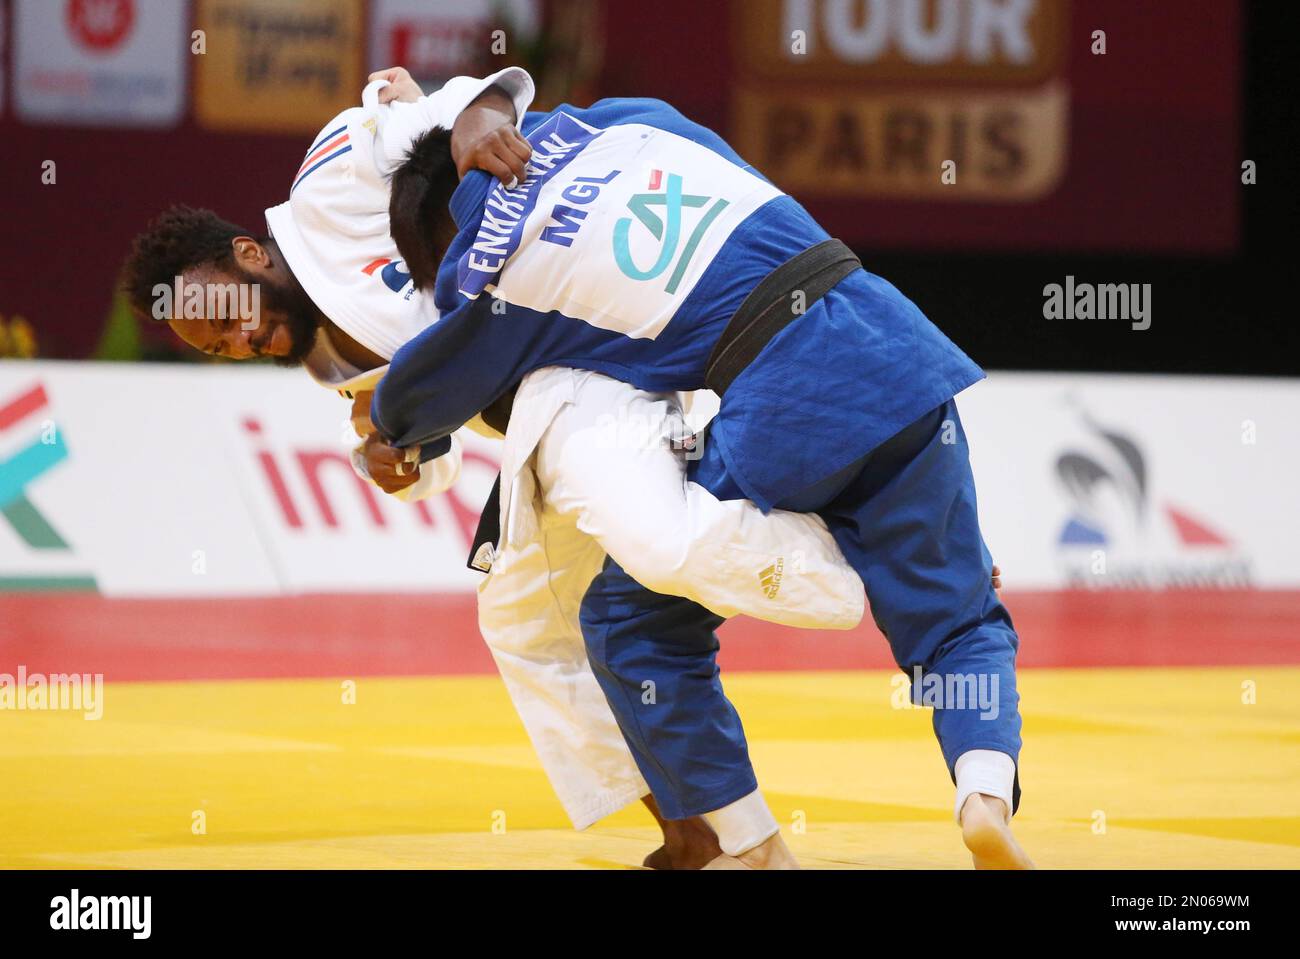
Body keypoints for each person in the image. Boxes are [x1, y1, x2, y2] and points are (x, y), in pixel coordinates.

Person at [122, 67, 867, 869]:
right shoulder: (328, 362)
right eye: (213, 347)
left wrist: (477, 118)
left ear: (246, 255)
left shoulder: (325, 182)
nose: (235, 344)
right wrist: (400, 460)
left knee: (651, 548)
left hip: (586, 335)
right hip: (552, 399)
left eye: (221, 317)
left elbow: (429, 110)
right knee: (522, 619)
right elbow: (439, 429)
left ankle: (860, 561)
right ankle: (704, 830)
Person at [370, 87, 1032, 869]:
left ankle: (749, 842)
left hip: (784, 392)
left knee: (627, 620)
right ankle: (982, 794)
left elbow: (414, 395)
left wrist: (383, 430)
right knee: (959, 618)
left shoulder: (499, 277)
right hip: (895, 340)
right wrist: (485, 112)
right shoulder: (631, 118)